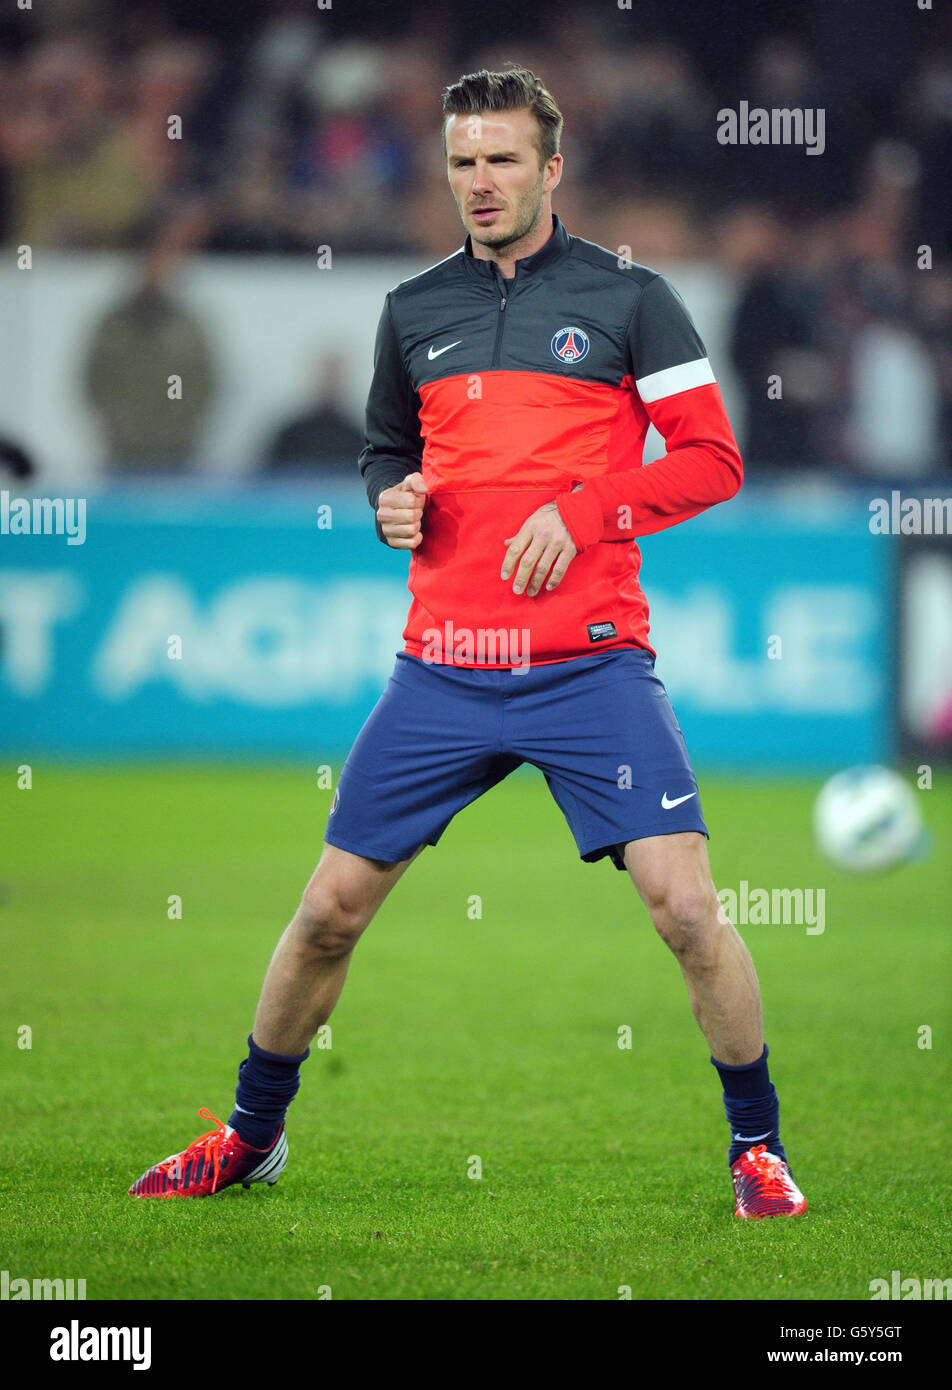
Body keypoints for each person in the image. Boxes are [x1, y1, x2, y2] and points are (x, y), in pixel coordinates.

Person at [130, 66, 806, 1220]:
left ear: (551, 168)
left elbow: (712, 458)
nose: (479, 182)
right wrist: (391, 499)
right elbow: (387, 455)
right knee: (329, 910)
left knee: (686, 910)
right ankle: (249, 1135)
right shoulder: (412, 310)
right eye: (460, 161)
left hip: (590, 663)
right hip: (443, 664)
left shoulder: (633, 299)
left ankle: (757, 1148)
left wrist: (587, 508)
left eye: (501, 159)